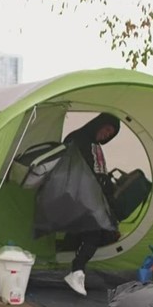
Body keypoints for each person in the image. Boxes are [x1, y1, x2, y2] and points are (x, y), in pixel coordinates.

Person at [61, 113, 122, 296]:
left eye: (110, 133)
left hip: (93, 199)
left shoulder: (96, 146)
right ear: (98, 124)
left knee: (94, 233)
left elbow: (100, 174)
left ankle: (68, 264)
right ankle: (76, 271)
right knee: (93, 231)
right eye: (106, 129)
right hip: (79, 198)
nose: (106, 134)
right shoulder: (77, 139)